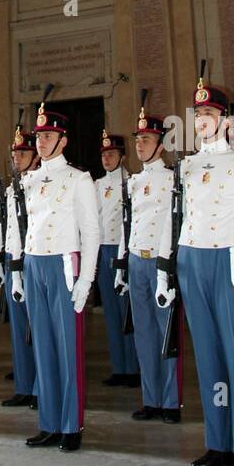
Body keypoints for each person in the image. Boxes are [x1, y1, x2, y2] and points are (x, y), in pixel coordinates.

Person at [157, 67, 234, 466]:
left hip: (228, 262)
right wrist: (168, 272)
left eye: (208, 113)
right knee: (206, 357)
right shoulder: (186, 167)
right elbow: (179, 220)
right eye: (196, 114)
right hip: (192, 260)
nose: (201, 121)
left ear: (225, 120)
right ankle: (217, 441)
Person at [17, 90, 100, 453]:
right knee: (44, 348)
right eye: (38, 136)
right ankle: (48, 422)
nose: (42, 142)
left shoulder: (79, 179)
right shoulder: (31, 180)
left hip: (66, 264)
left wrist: (86, 280)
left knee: (67, 348)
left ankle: (70, 424)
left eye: (48, 136)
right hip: (36, 262)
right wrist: (21, 268)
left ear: (63, 140)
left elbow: (92, 232)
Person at [116, 96, 181, 422]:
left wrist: (168, 267)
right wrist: (121, 265)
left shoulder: (172, 178)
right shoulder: (134, 181)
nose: (140, 145)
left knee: (166, 333)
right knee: (143, 333)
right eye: (138, 139)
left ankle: (170, 402)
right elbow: (125, 225)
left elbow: (175, 224)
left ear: (161, 144)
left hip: (159, 262)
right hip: (137, 261)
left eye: (146, 140)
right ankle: (151, 398)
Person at [0, 116, 38, 408]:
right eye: (14, 154)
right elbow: (4, 225)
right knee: (18, 327)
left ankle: (39, 386)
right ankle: (23, 384)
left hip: (32, 260)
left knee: (37, 328)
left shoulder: (41, 186)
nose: (16, 159)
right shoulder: (12, 188)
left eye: (22, 154)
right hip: (12, 260)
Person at [95, 130, 140, 388]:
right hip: (103, 250)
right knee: (110, 311)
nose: (107, 159)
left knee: (127, 310)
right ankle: (119, 367)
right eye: (104, 155)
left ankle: (133, 367)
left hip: (124, 250)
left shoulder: (131, 183)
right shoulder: (96, 185)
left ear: (122, 157)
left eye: (111, 154)